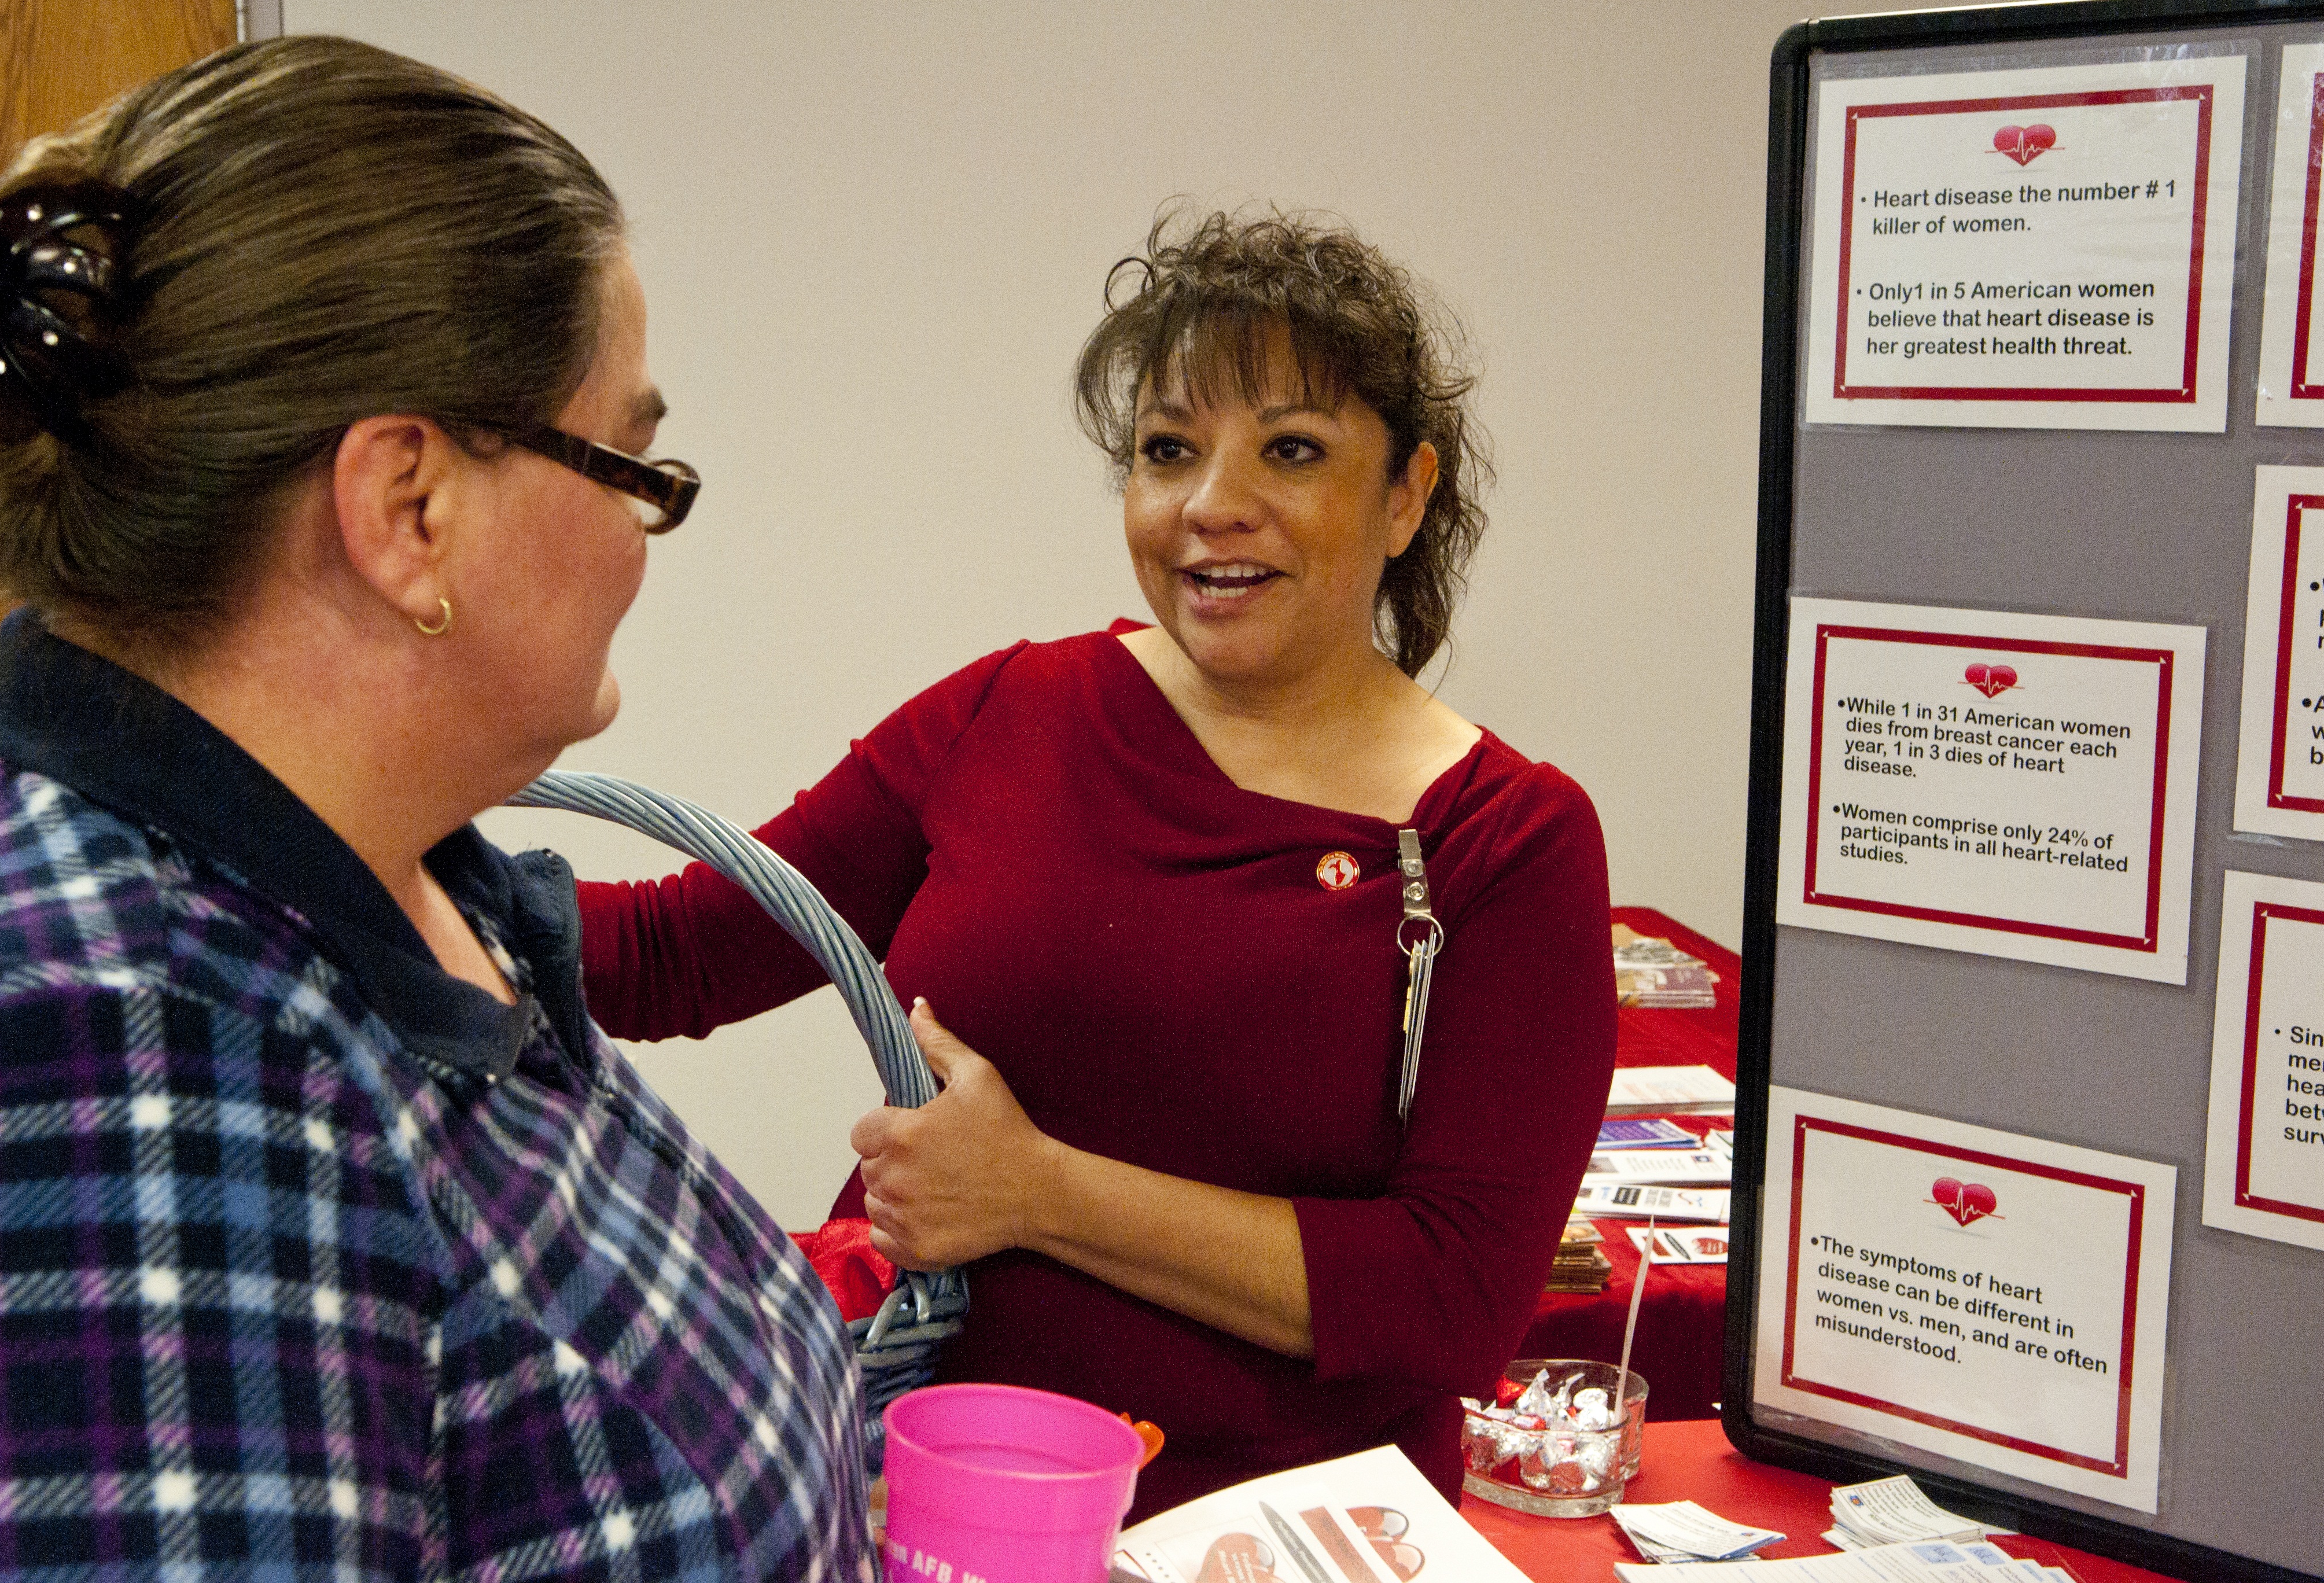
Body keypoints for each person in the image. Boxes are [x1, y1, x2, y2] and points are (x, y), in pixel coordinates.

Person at [0, 38, 874, 1581]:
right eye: (628, 464)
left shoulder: (394, 881)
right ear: (409, 508)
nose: (640, 533)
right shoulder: (120, 1072)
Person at [579, 208, 1618, 1516]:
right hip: (925, 1490)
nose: (1211, 505)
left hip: (1276, 1528)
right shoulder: (1010, 711)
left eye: (1291, 450)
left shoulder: (1503, 838)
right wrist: (379, 847)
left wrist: (1038, 1193)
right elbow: (674, 954)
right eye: (1167, 450)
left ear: (1405, 493)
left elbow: (1454, 1298)